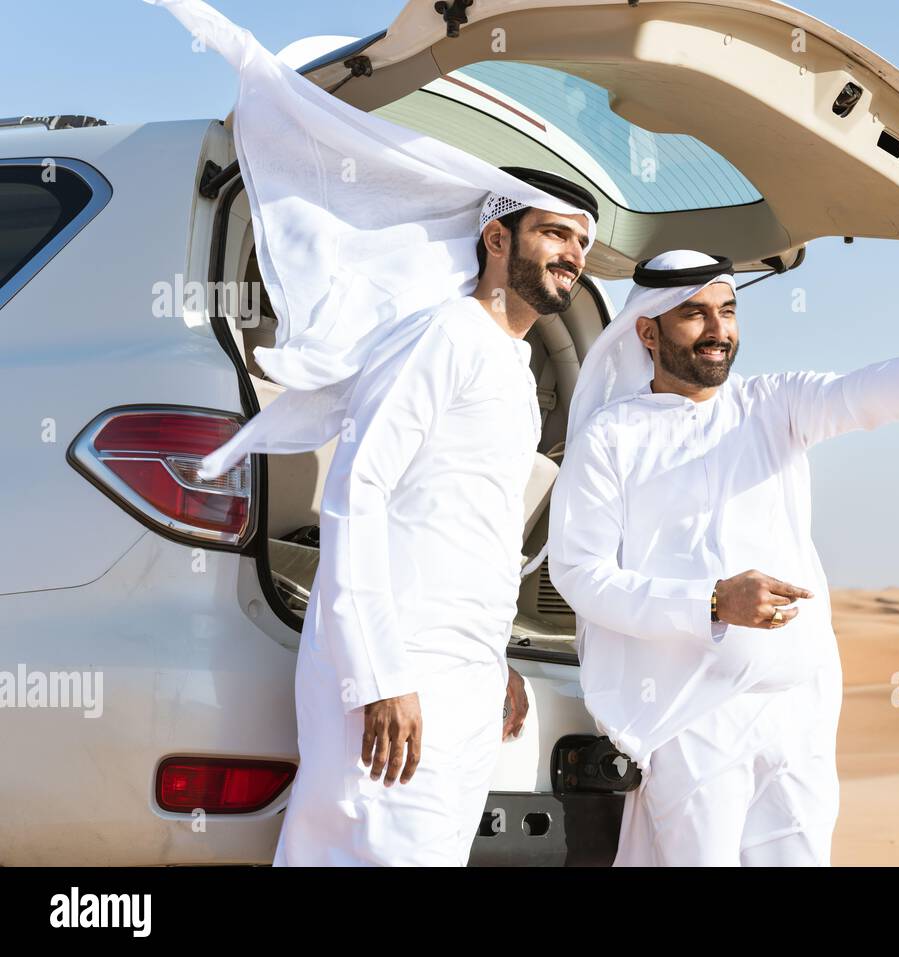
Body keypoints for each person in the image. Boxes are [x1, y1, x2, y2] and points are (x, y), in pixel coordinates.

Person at [149, 0, 601, 865]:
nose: (572, 256)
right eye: (553, 232)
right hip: (395, 667)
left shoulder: (509, 366)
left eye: (580, 241)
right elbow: (358, 492)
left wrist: (494, 660)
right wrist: (379, 675)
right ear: (497, 237)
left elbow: (467, 531)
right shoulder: (441, 334)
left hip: (460, 673)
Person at [548, 249, 899, 865]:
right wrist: (712, 601)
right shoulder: (611, 438)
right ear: (647, 330)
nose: (719, 331)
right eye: (694, 315)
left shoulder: (773, 406)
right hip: (694, 718)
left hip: (796, 710)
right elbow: (580, 575)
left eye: (728, 311)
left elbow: (875, 390)